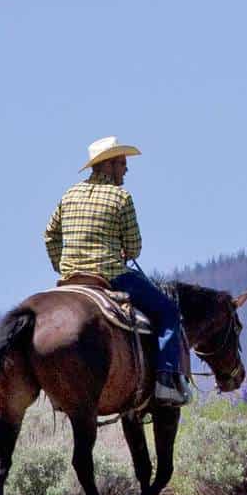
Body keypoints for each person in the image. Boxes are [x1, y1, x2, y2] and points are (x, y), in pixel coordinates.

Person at [44, 136, 189, 406]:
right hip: (110, 275)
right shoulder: (121, 197)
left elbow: (50, 235)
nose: (126, 169)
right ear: (107, 165)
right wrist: (122, 249)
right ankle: (166, 380)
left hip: (70, 279)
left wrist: (61, 263)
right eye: (121, 163)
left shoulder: (69, 194)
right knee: (169, 312)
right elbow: (134, 248)